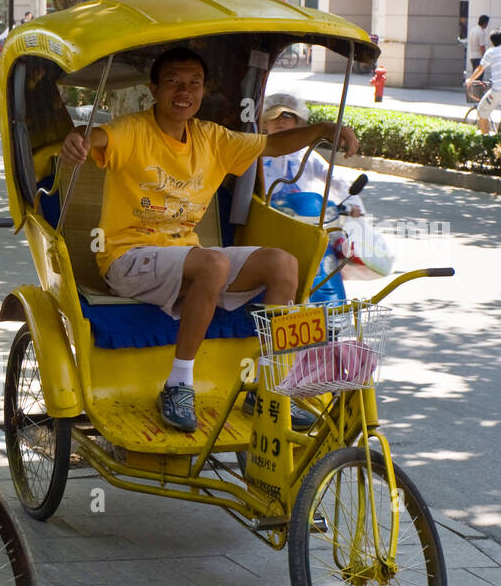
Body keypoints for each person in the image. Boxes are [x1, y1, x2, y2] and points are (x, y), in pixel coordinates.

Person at [59, 47, 358, 433]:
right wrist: (76, 139)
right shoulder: (133, 130)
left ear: (203, 90)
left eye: (194, 83)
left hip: (186, 257)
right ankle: (179, 384)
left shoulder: (211, 138)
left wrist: (321, 130)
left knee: (283, 264)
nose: (184, 91)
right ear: (154, 88)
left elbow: (271, 145)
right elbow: (96, 137)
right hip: (127, 258)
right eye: (173, 82)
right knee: (212, 264)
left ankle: (265, 385)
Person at [260, 92, 364, 305]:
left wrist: (352, 203)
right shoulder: (257, 153)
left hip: (306, 225)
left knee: (333, 253)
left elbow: (335, 179)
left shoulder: (306, 155)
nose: (281, 121)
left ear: (299, 122)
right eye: (275, 116)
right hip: (268, 226)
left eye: (288, 116)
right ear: (264, 122)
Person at [466, 31, 501, 134]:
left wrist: (471, 80)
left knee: (482, 111)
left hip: (499, 88)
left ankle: (485, 138)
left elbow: (480, 69)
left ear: (492, 42)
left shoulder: (491, 52)